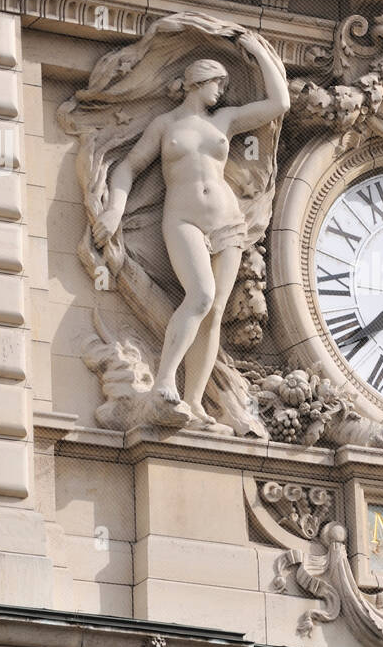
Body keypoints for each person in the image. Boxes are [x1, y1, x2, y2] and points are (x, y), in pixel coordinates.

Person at [91, 31, 290, 425]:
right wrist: (115, 208)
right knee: (199, 296)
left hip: (227, 220)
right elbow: (129, 167)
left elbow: (279, 103)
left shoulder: (226, 121)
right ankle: (166, 381)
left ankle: (196, 402)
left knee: (214, 310)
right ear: (199, 82)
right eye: (218, 83)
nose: (222, 91)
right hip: (182, 220)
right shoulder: (166, 125)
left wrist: (257, 51)